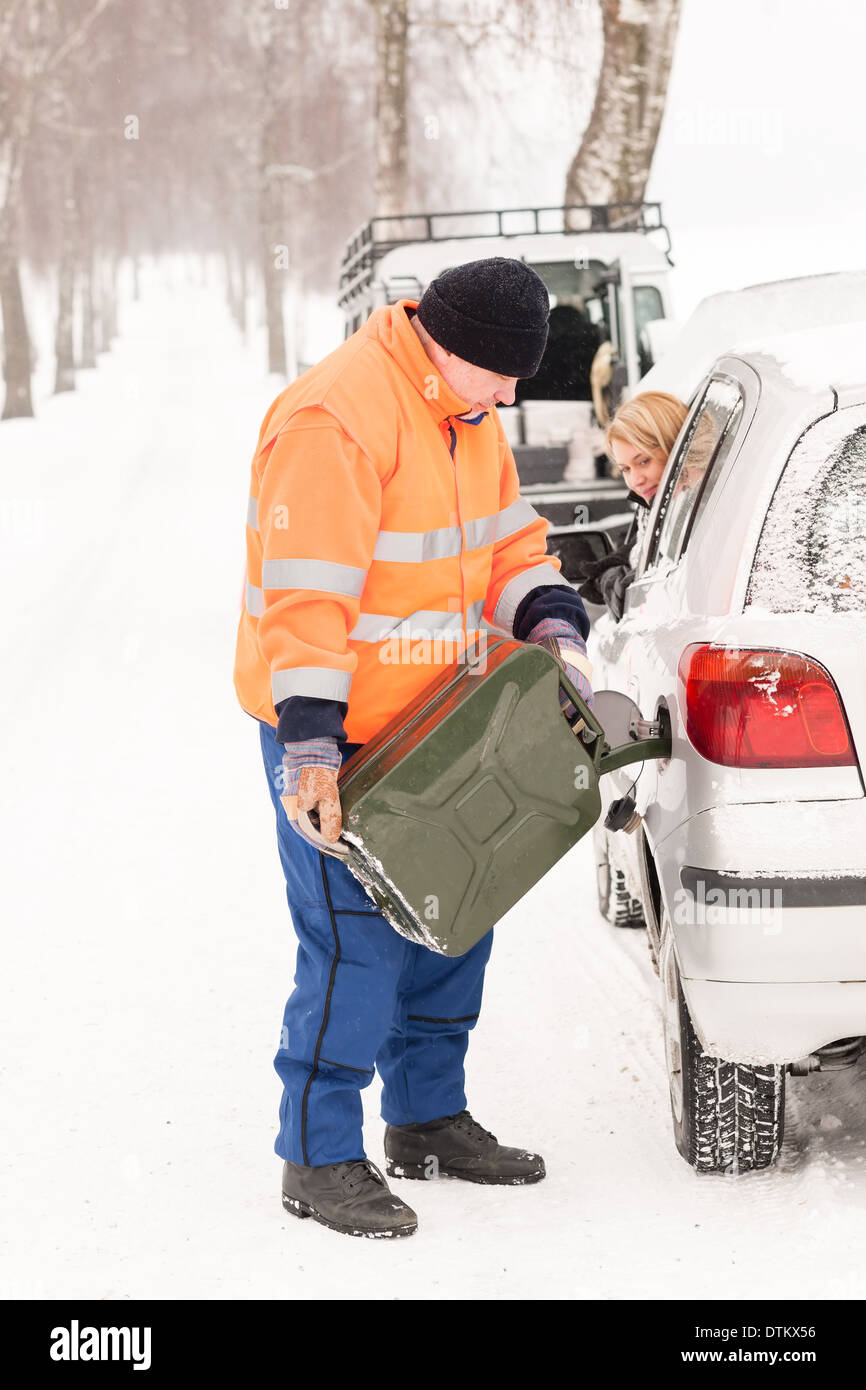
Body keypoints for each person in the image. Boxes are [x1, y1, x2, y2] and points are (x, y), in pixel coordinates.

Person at [233, 258, 595, 1239]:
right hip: (332, 728)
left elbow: (512, 548)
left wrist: (552, 627)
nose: (513, 395)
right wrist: (308, 750)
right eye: (502, 374)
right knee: (352, 942)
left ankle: (427, 1118)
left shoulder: (464, 416)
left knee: (455, 907)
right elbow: (304, 605)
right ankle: (316, 1154)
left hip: (438, 714)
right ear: (448, 344)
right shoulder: (336, 419)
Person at [577, 391, 688, 620]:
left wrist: (617, 584)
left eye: (644, 461)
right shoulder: (654, 509)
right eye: (626, 469)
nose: (635, 480)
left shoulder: (697, 513)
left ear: (674, 448)